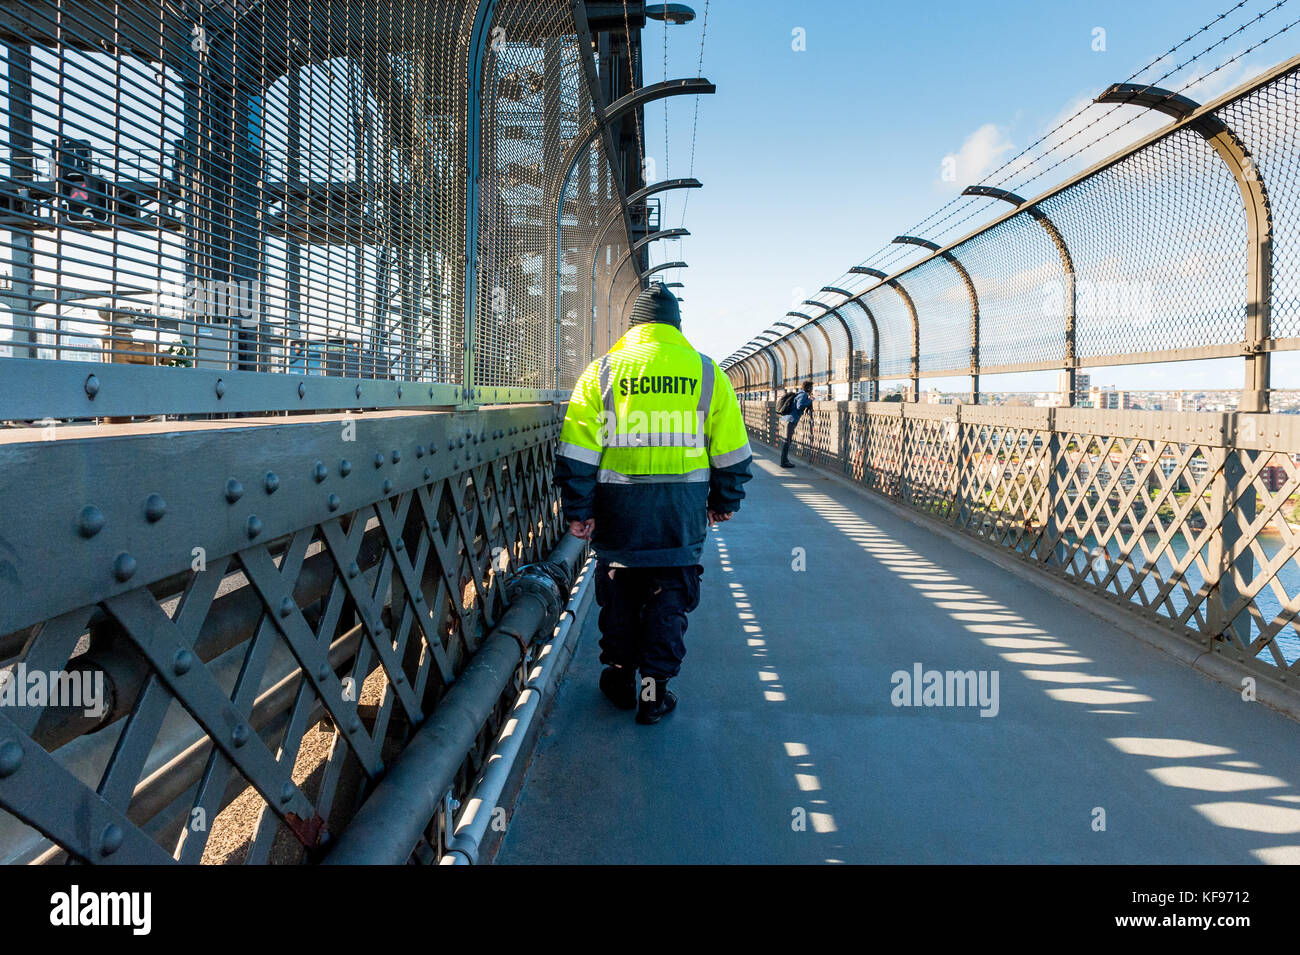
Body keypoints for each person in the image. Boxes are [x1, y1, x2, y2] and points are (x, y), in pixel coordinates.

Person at [553, 282, 753, 725]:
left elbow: (577, 451)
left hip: (619, 513)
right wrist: (724, 500)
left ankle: (620, 678)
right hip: (679, 516)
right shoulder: (706, 372)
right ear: (676, 326)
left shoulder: (601, 371)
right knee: (669, 596)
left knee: (620, 593)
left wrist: (579, 511)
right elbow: (733, 452)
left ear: (633, 326)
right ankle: (652, 693)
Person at [779, 380, 814, 468]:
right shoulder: (804, 395)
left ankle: (785, 460)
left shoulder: (799, 393)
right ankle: (784, 462)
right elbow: (800, 406)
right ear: (809, 388)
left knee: (787, 440)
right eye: (812, 388)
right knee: (787, 441)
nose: (812, 389)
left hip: (787, 419)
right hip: (791, 420)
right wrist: (810, 400)